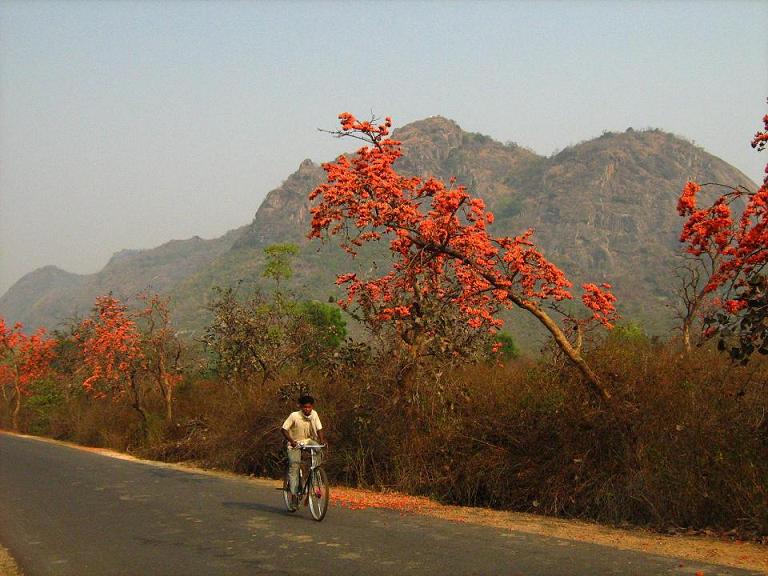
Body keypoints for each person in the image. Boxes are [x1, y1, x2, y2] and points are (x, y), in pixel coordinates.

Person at [281, 394, 326, 507]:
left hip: (308, 441)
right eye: (305, 407)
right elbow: (284, 429)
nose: (307, 409)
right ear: (301, 407)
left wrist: (322, 441)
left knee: (318, 450)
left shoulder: (314, 414)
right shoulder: (294, 416)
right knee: (294, 464)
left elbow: (319, 428)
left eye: (309, 407)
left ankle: (315, 473)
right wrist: (291, 441)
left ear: (312, 407)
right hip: (295, 444)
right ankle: (294, 494)